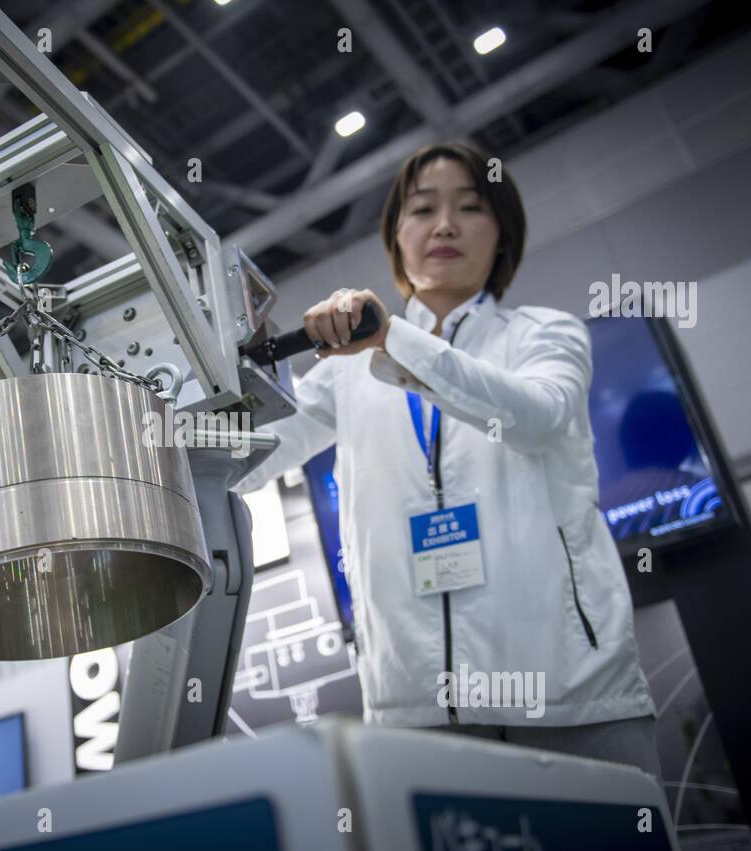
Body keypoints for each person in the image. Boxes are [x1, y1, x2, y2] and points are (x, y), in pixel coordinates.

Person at [234, 142, 662, 782]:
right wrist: (223, 371)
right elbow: (243, 463)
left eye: (470, 207)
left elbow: (537, 415)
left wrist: (390, 339)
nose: (444, 225)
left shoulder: (544, 334)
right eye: (421, 209)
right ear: (396, 236)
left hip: (572, 694)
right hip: (417, 711)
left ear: (503, 236)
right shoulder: (344, 377)